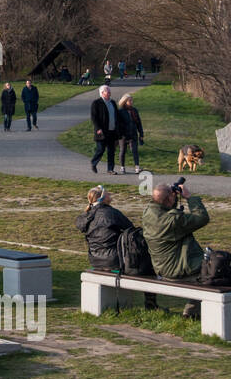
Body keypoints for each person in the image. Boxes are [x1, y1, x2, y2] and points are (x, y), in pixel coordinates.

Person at [76, 186, 158, 309]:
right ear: (103, 198)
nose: (111, 195)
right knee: (148, 267)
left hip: (95, 259)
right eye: (108, 194)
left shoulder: (86, 216)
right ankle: (150, 304)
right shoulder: (111, 213)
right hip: (115, 261)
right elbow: (130, 229)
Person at [142, 181, 210, 319]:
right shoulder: (173, 220)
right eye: (172, 196)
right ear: (169, 199)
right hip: (177, 270)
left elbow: (163, 205)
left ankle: (193, 310)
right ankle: (192, 312)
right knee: (215, 272)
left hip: (161, 268)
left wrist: (170, 198)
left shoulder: (149, 212)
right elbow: (202, 218)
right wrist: (189, 197)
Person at [89, 84, 120, 173]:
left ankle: (110, 169)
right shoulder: (96, 103)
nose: (109, 93)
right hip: (101, 131)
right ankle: (94, 162)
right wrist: (98, 128)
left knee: (111, 151)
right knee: (101, 149)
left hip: (112, 130)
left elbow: (116, 116)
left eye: (109, 91)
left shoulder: (113, 103)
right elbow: (94, 117)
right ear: (102, 93)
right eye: (107, 91)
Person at [116, 93, 144, 174]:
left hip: (133, 134)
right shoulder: (120, 111)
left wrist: (141, 134)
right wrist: (119, 133)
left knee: (135, 150)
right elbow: (117, 124)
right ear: (125, 101)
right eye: (129, 100)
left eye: (132, 100)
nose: (131, 102)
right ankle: (122, 167)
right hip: (123, 135)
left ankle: (137, 167)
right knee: (122, 151)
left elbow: (139, 123)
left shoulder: (134, 110)